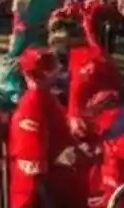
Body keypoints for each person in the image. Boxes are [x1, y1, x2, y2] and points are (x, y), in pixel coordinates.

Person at [8, 48, 83, 208]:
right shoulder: (34, 105)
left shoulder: (42, 99)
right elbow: (34, 166)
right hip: (38, 195)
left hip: (47, 190)